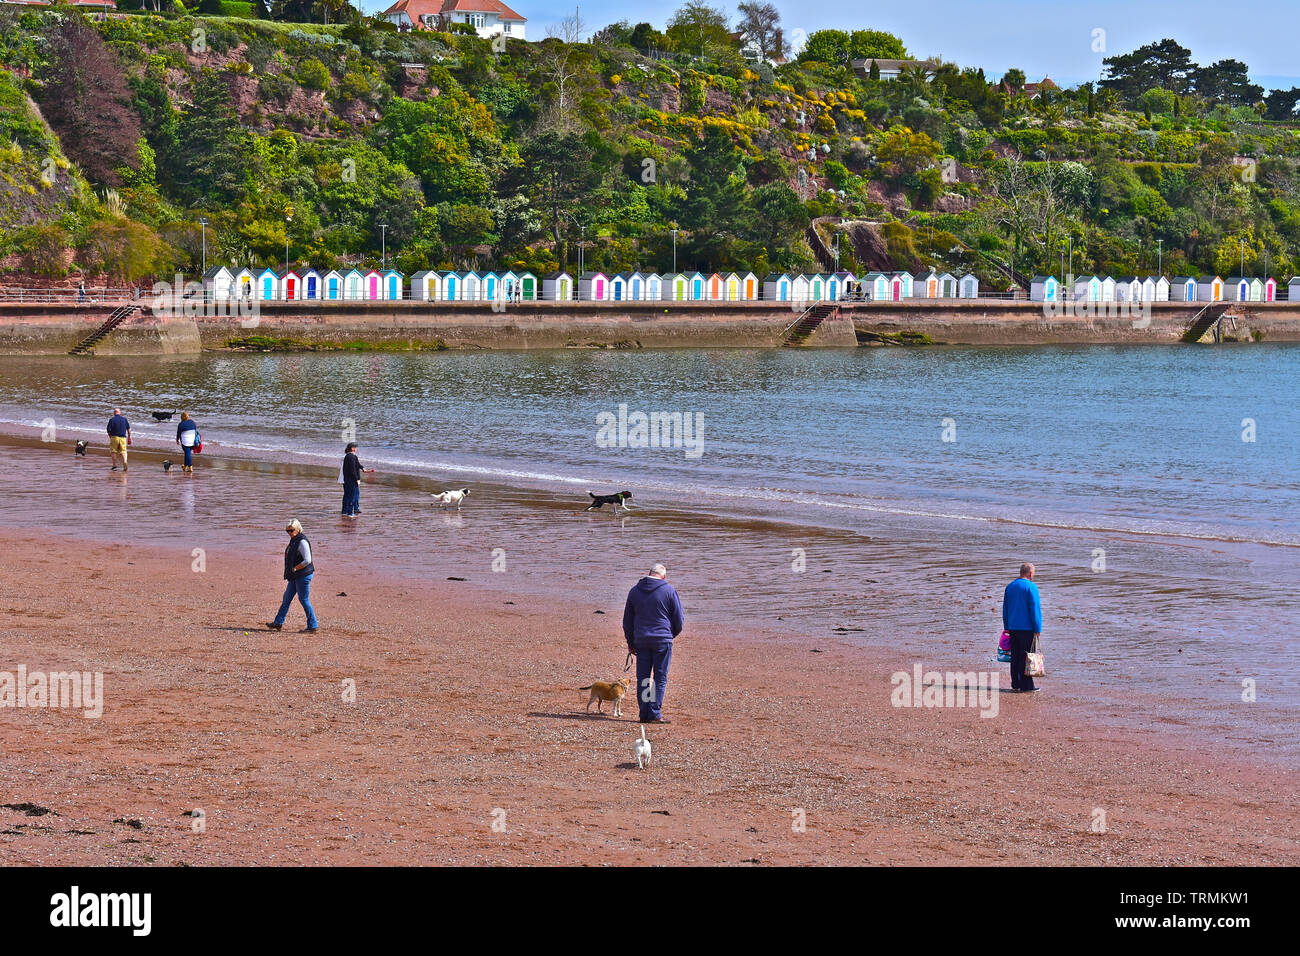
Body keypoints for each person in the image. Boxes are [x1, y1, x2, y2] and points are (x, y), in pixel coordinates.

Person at [623, 563, 685, 723]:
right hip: (662, 639)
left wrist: (631, 642)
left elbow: (627, 621)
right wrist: (670, 635)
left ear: (649, 573)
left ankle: (645, 713)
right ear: (663, 577)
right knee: (660, 677)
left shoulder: (635, 591)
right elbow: (678, 620)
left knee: (644, 678)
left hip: (641, 639)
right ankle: (655, 713)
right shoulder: (669, 591)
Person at [266, 519, 318, 633]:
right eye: (287, 531)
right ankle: (278, 623)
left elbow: (308, 560)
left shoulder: (302, 541)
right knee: (286, 599)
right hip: (295, 576)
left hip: (303, 575)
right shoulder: (294, 540)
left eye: (291, 530)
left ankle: (313, 625)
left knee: (304, 600)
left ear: (298, 529)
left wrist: (295, 568)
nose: (289, 533)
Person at [1002, 562, 1042, 693]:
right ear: (1030, 573)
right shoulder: (1031, 587)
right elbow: (1035, 609)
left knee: (1015, 656)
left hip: (1013, 627)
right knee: (1026, 657)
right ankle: (1026, 686)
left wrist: (1006, 626)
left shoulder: (1010, 586)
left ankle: (1016, 683)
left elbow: (1005, 609)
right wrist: (1037, 628)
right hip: (1027, 628)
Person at [339, 442, 373, 517]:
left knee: (347, 495)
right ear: (352, 448)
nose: (356, 449)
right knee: (351, 496)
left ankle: (344, 511)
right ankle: (350, 513)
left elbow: (357, 464)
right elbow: (353, 469)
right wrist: (357, 479)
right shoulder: (352, 456)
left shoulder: (348, 456)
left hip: (346, 479)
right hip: (351, 480)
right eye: (355, 447)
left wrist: (363, 468)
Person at [106, 407, 131, 472]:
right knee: (124, 451)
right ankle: (125, 461)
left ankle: (114, 466)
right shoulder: (124, 419)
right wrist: (129, 437)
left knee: (113, 451)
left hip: (114, 437)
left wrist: (110, 437)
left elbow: (108, 430)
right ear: (120, 413)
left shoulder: (112, 420)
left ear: (114, 413)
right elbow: (129, 430)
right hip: (123, 438)